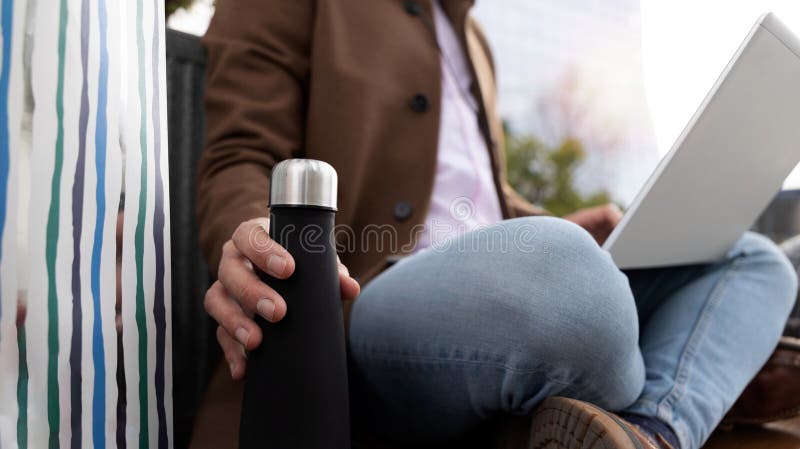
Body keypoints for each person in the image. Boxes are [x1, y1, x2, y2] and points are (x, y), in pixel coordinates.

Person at [195, 1, 797, 448]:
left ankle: (648, 431)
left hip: (492, 283)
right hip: (366, 295)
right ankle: (688, 380)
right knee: (575, 286)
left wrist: (557, 227)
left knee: (755, 260)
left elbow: (479, 197)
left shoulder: (472, 36)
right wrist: (254, 241)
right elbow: (239, 154)